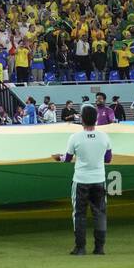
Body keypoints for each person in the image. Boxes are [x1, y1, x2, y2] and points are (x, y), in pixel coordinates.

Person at [52, 104, 113, 255]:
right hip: (98, 179)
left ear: (82, 119)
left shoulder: (75, 137)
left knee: (79, 214)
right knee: (99, 213)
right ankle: (99, 248)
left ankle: (80, 247)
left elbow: (67, 159)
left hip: (81, 180)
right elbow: (108, 159)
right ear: (96, 119)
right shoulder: (104, 137)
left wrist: (57, 157)